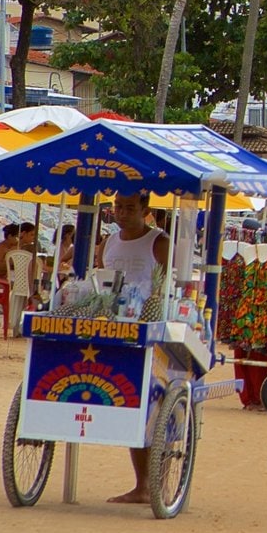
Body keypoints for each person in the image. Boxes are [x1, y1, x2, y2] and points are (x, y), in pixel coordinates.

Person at [97, 197, 169, 504]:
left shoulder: (159, 242)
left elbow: (166, 285)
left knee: (148, 407)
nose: (121, 213)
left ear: (145, 210)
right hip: (114, 328)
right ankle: (142, 485)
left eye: (129, 208)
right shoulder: (108, 242)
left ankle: (149, 484)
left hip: (149, 331)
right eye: (118, 207)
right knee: (125, 400)